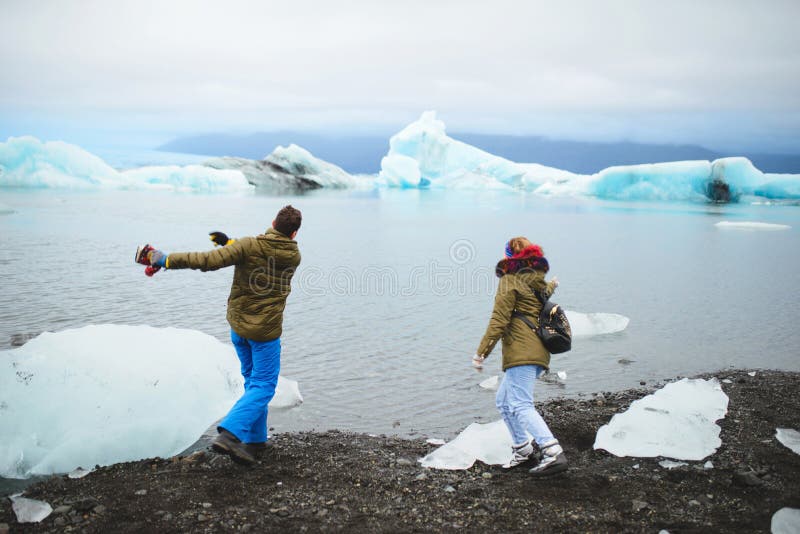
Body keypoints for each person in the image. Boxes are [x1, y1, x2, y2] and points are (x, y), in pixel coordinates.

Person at [144, 205, 302, 464]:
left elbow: (208, 261)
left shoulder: (249, 246)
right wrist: (231, 243)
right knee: (263, 385)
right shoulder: (293, 255)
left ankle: (255, 442)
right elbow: (262, 254)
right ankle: (230, 435)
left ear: (272, 222)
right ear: (294, 234)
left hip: (239, 329)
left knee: (254, 383)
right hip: (265, 334)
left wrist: (165, 260)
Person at [473, 236, 567, 476]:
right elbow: (542, 294)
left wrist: (481, 352)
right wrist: (553, 285)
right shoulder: (535, 279)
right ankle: (523, 450)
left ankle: (551, 450)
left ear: (509, 257)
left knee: (520, 404)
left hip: (523, 351)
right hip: (537, 350)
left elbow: (499, 320)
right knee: (504, 402)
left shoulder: (509, 281)